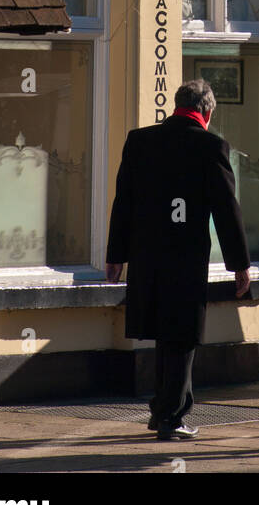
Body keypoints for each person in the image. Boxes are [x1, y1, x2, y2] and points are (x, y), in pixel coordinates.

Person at [106, 78, 251, 442]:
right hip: (185, 258)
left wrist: (115, 255)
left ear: (176, 105)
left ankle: (161, 410)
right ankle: (172, 416)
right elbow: (226, 210)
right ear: (208, 110)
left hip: (146, 256)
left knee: (162, 334)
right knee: (182, 336)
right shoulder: (211, 146)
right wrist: (239, 264)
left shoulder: (139, 141)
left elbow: (123, 201)